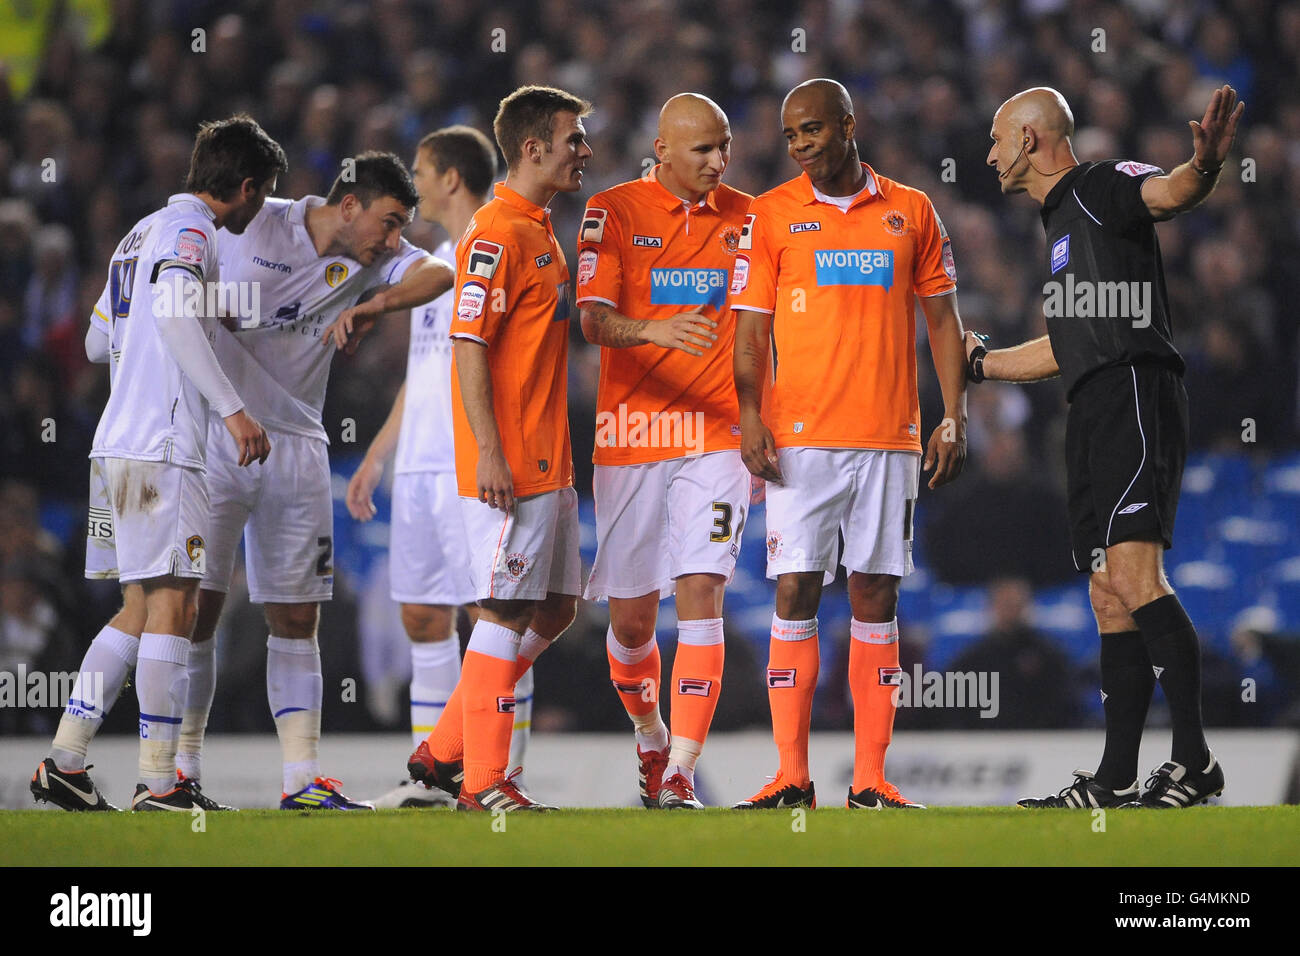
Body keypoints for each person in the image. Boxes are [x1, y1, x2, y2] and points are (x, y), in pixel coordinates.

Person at [971, 85, 1244, 809]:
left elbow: (1166, 193)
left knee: (1135, 576)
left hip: (1133, 391)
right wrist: (982, 364)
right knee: (1107, 594)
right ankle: (1115, 777)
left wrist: (1206, 166)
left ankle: (1195, 764)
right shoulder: (1057, 222)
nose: (989, 154)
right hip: (1091, 403)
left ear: (1030, 137)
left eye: (997, 139)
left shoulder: (1097, 184)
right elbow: (1065, 344)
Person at [188, 151, 453, 810]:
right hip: (217, 437)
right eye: (389, 223)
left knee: (297, 617)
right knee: (195, 613)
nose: (393, 241)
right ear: (350, 204)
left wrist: (375, 305)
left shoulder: (371, 260)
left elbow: (442, 272)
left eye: (402, 229)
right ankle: (175, 776)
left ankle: (301, 781)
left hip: (299, 448)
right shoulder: (256, 223)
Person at [730, 79, 969, 810]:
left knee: (875, 594)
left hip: (888, 436)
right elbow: (750, 332)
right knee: (795, 589)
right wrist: (749, 415)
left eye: (812, 131)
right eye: (791, 135)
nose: (800, 145)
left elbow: (943, 323)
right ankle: (790, 776)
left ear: (848, 125)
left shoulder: (912, 210)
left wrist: (953, 415)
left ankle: (870, 779)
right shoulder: (769, 216)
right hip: (799, 440)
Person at [31, 115, 280, 811]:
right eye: (262, 197)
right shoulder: (193, 233)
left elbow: (92, 344)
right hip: (165, 447)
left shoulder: (136, 235)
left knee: (140, 607)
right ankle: (161, 781)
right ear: (248, 186)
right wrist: (231, 408)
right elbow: (172, 310)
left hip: (116, 446)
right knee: (177, 602)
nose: (259, 211)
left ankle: (65, 763)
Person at [399, 85, 591, 812]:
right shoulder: (493, 233)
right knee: (503, 611)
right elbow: (468, 344)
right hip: (511, 461)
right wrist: (486, 449)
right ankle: (483, 779)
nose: (586, 152)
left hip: (552, 458)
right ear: (533, 148)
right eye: (575, 140)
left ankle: (446, 747)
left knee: (557, 607)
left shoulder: (538, 227)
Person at [346, 126, 538, 809]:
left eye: (422, 173)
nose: (415, 185)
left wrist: (373, 303)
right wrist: (378, 453)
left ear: (451, 178)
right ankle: (436, 773)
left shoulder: (490, 246)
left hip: (472, 465)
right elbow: (422, 371)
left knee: (495, 617)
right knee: (425, 618)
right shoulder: (438, 260)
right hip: (421, 469)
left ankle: (500, 771)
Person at [577, 93, 753, 809]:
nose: (719, 160)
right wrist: (655, 331)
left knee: (702, 591)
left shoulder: (750, 216)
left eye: (725, 145)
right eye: (704, 149)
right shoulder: (612, 212)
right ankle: (651, 736)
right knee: (631, 623)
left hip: (717, 435)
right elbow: (590, 319)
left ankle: (681, 768)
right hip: (634, 435)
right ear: (663, 150)